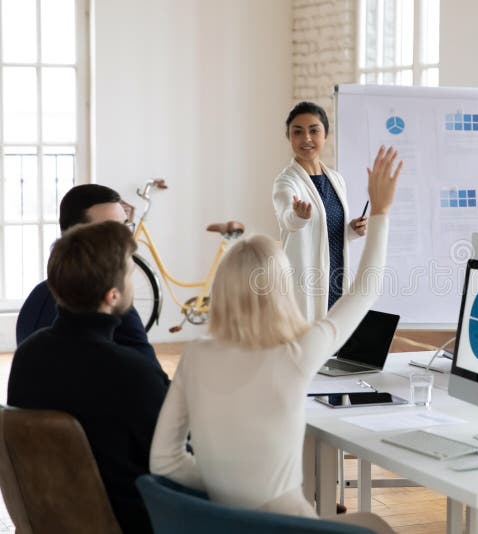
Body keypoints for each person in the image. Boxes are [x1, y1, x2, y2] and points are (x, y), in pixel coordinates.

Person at [149, 147, 402, 533]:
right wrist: (381, 211)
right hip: (286, 525)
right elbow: (365, 290)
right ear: (282, 288)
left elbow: (164, 463)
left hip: (221, 523)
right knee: (377, 526)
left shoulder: (195, 356)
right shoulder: (297, 353)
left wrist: (228, 488)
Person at [8, 222, 170, 533]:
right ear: (112, 295)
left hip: (47, 520)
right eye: (129, 274)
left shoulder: (27, 357)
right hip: (127, 523)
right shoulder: (132, 372)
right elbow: (169, 461)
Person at [16, 184, 156, 361]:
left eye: (126, 226)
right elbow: (155, 383)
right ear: (77, 239)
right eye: (111, 231)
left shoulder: (36, 299)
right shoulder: (113, 309)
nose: (126, 240)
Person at [272, 101, 368, 321]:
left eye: (314, 131)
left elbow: (328, 231)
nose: (306, 138)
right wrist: (299, 216)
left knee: (333, 344)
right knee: (308, 347)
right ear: (289, 137)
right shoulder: (286, 182)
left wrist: (352, 230)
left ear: (325, 136)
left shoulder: (336, 179)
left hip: (336, 279)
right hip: (305, 285)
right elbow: (288, 220)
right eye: (298, 132)